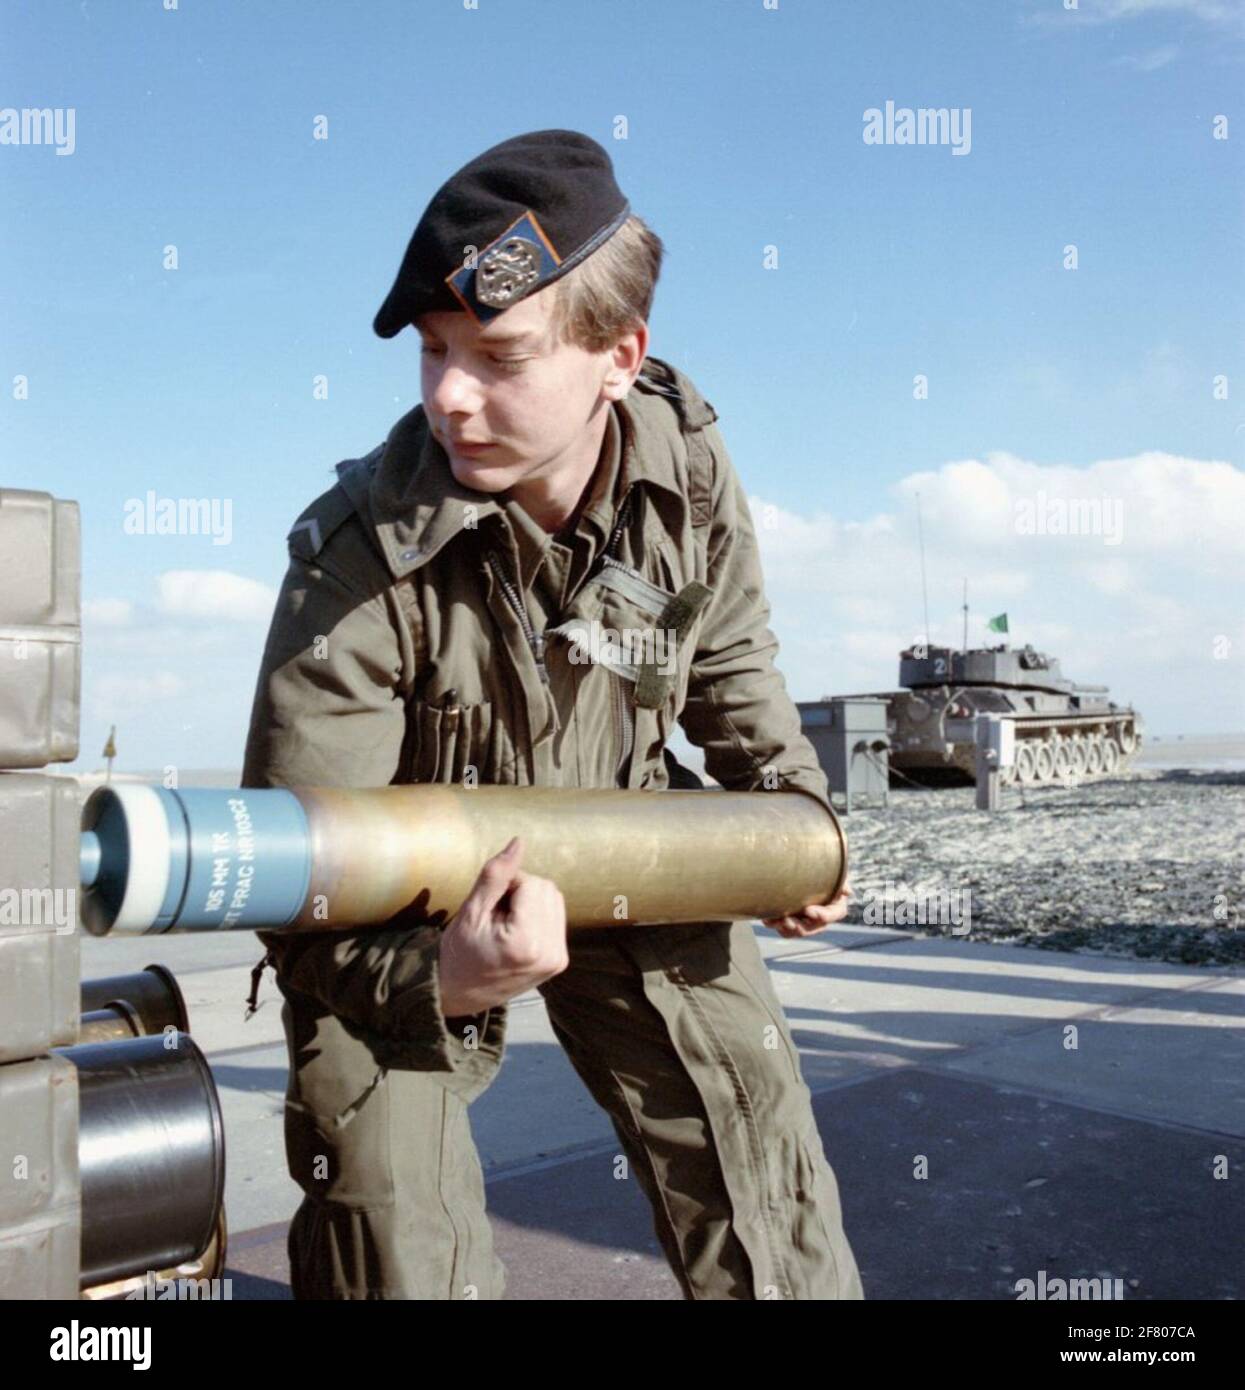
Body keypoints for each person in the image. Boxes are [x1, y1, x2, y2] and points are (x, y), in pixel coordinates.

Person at [240, 129, 863, 1301]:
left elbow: (725, 655)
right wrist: (443, 979)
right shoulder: (357, 557)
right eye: (431, 351)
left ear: (619, 356)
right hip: (401, 913)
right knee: (388, 1222)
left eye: (496, 354)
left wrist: (797, 811)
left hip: (631, 839)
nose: (449, 397)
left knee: (756, 1159)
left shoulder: (685, 465)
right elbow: (295, 862)